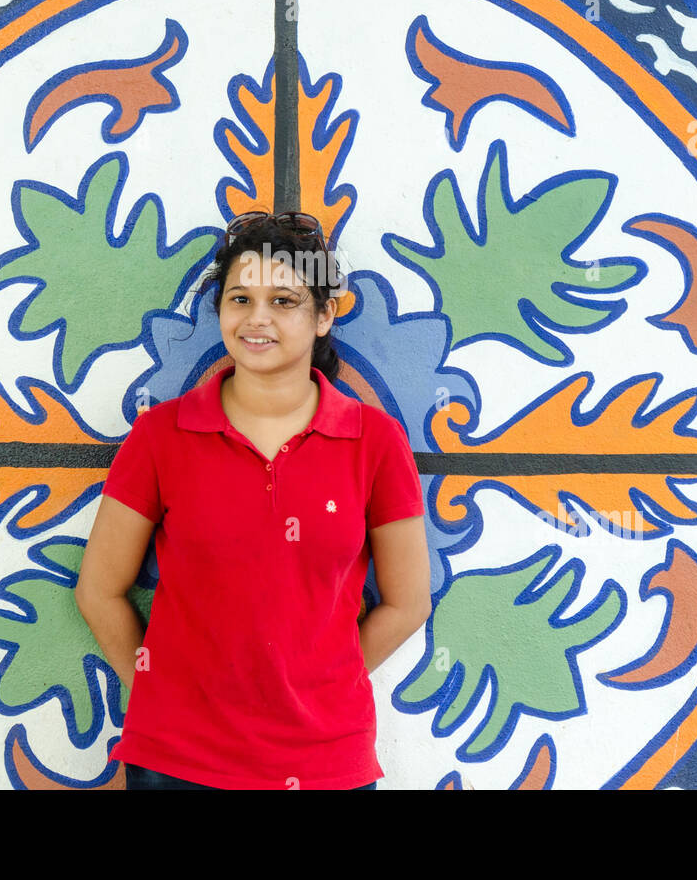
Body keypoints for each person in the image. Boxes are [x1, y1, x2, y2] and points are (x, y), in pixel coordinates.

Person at [75, 210, 431, 790]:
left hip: (324, 763)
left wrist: (313, 684)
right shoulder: (162, 436)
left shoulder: (375, 442)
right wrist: (159, 697)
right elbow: (99, 590)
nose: (257, 318)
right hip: (175, 762)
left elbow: (408, 602)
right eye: (239, 299)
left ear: (324, 316)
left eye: (285, 301)